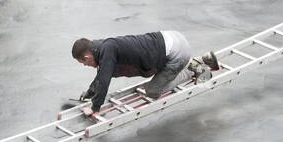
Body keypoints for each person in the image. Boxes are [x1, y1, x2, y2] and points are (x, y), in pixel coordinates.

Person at [71, 31, 219, 115]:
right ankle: (204, 59)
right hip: (172, 38)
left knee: (152, 91)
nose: (86, 65)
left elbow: (104, 80)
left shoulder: (107, 51)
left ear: (87, 56)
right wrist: (90, 92)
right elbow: (103, 73)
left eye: (84, 63)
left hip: (178, 53)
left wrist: (94, 107)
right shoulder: (103, 46)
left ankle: (192, 67)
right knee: (116, 70)